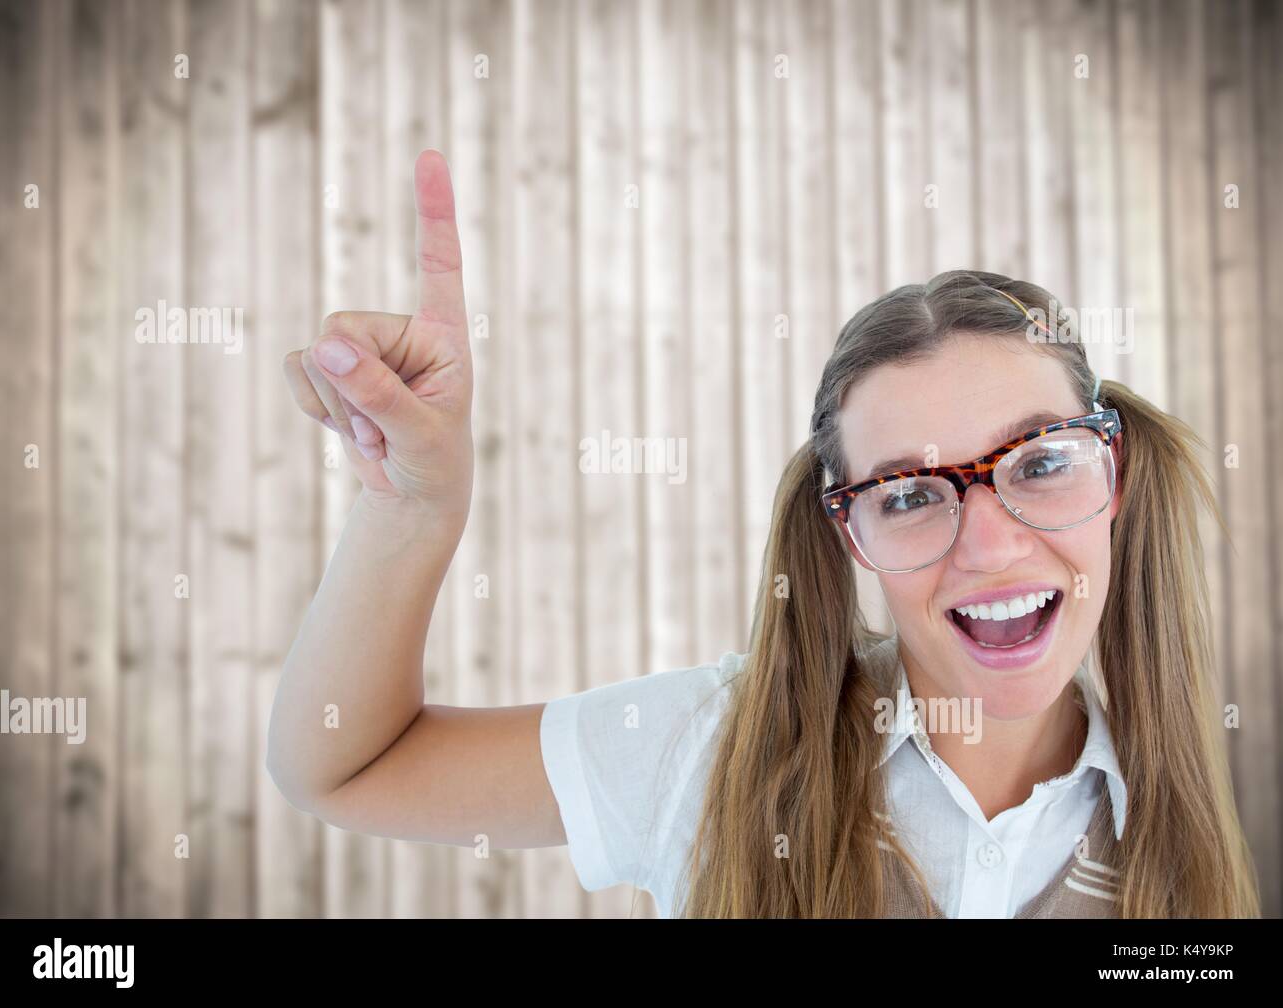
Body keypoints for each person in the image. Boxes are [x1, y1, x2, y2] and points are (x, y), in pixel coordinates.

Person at [268, 150, 1259, 918]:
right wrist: (412, 507)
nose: (991, 546)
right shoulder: (710, 752)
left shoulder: (1195, 830)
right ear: (848, 534)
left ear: (1113, 474)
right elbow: (344, 767)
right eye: (911, 493)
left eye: (1039, 462)